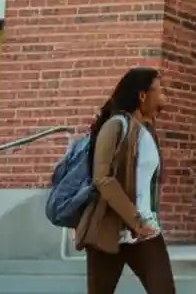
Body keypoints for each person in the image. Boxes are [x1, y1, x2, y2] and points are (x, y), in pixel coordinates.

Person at [75, 67, 173, 294]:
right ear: (142, 95)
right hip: (109, 231)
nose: (164, 95)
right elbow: (103, 178)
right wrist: (135, 220)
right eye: (159, 90)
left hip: (146, 232)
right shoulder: (116, 126)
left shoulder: (147, 131)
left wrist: (147, 221)